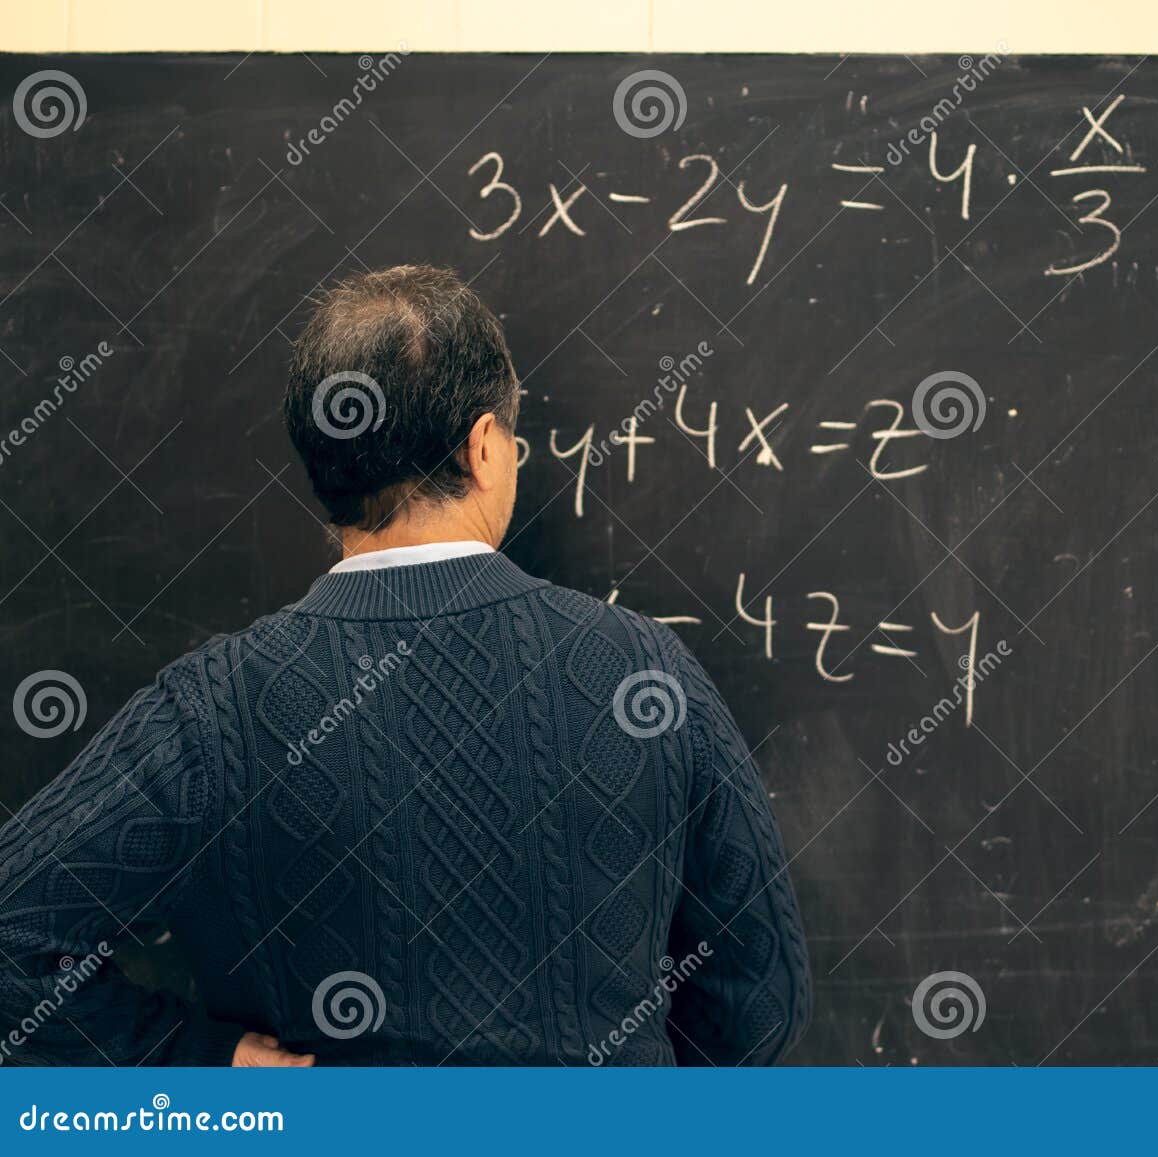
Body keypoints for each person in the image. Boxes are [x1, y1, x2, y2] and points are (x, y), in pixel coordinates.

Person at [0, 264, 811, 1066]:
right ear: (485, 446)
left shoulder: (215, 710)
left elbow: (14, 936)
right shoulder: (646, 672)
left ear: (323, 463)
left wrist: (200, 1060)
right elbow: (762, 993)